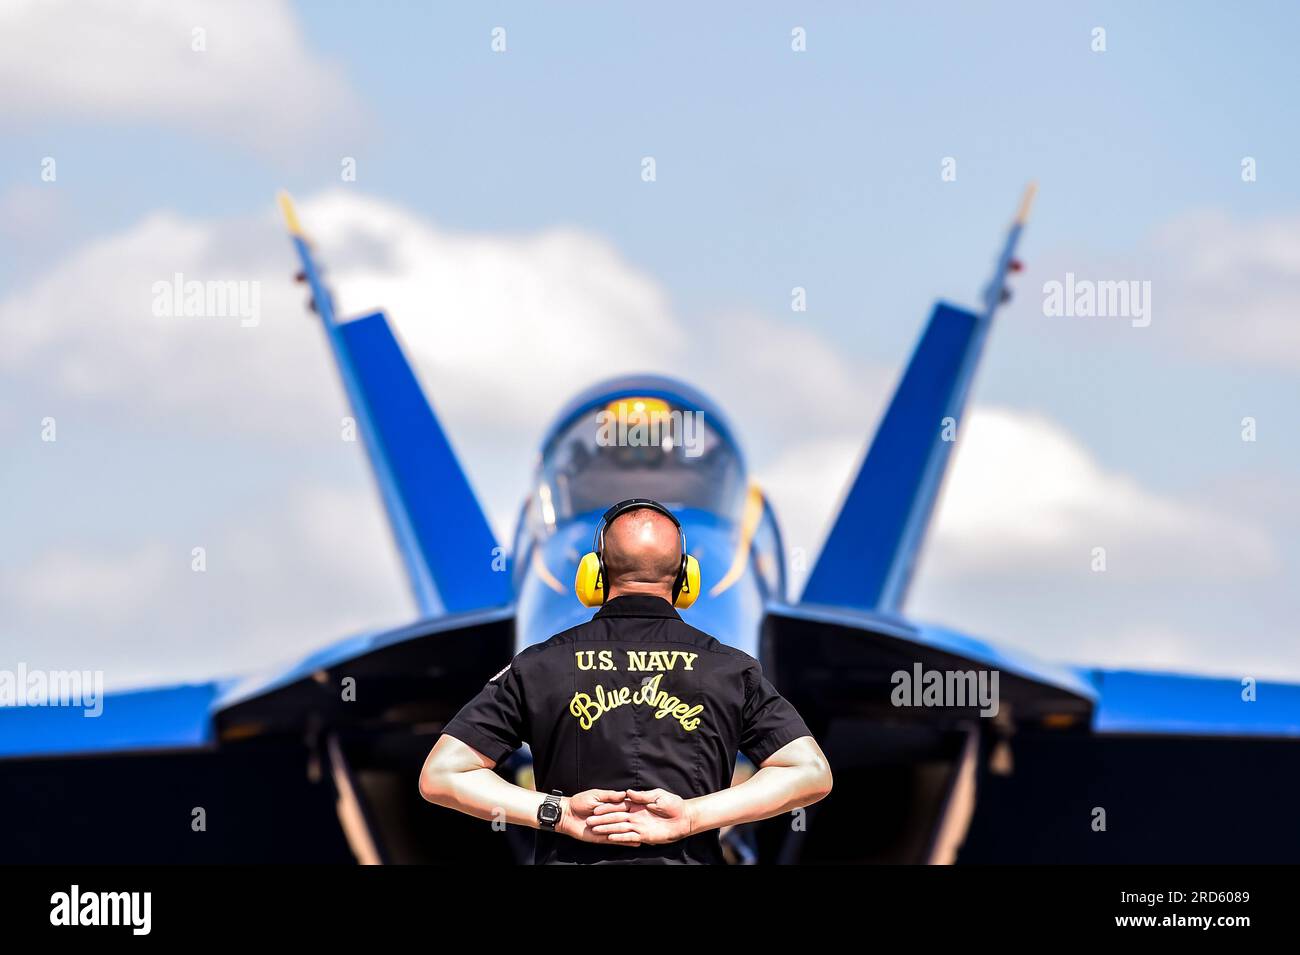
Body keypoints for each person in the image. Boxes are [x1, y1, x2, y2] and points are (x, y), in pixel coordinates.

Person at [418, 499, 832, 864]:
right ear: (686, 578)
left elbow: (442, 775)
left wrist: (558, 813)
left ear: (594, 574)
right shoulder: (731, 669)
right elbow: (809, 772)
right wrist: (693, 816)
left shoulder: (540, 665)